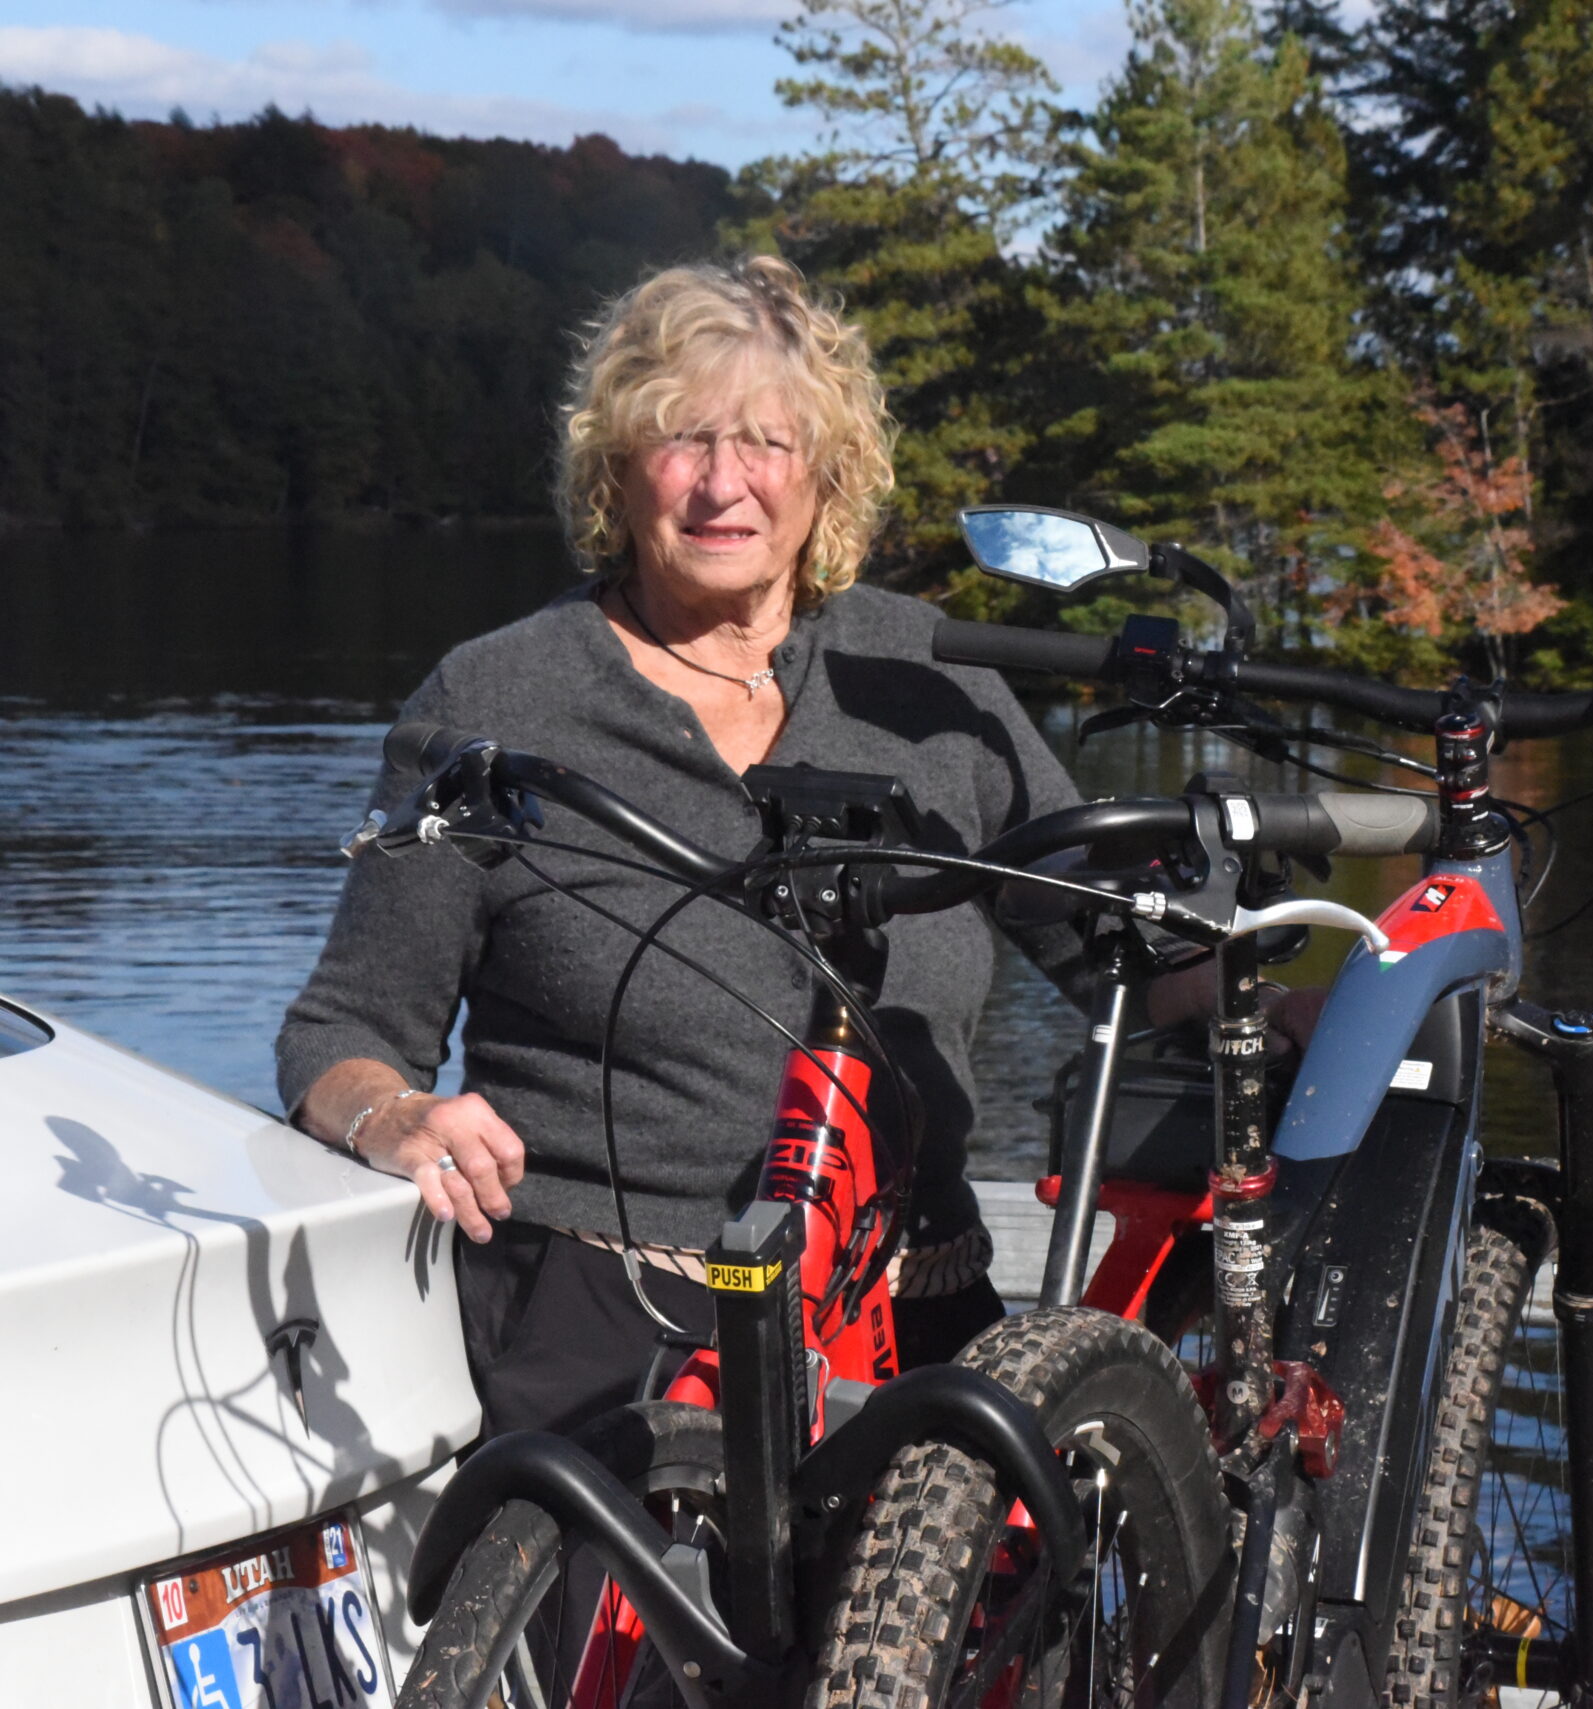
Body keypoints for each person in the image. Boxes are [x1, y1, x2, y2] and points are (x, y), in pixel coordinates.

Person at [276, 255, 1088, 1437]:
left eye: (767, 441)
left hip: (915, 1315)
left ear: (829, 475)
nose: (723, 483)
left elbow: (1109, 926)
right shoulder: (500, 694)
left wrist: (1281, 1000)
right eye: (683, 438)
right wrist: (392, 1116)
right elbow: (341, 1031)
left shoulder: (921, 675)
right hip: (609, 1318)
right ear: (617, 467)